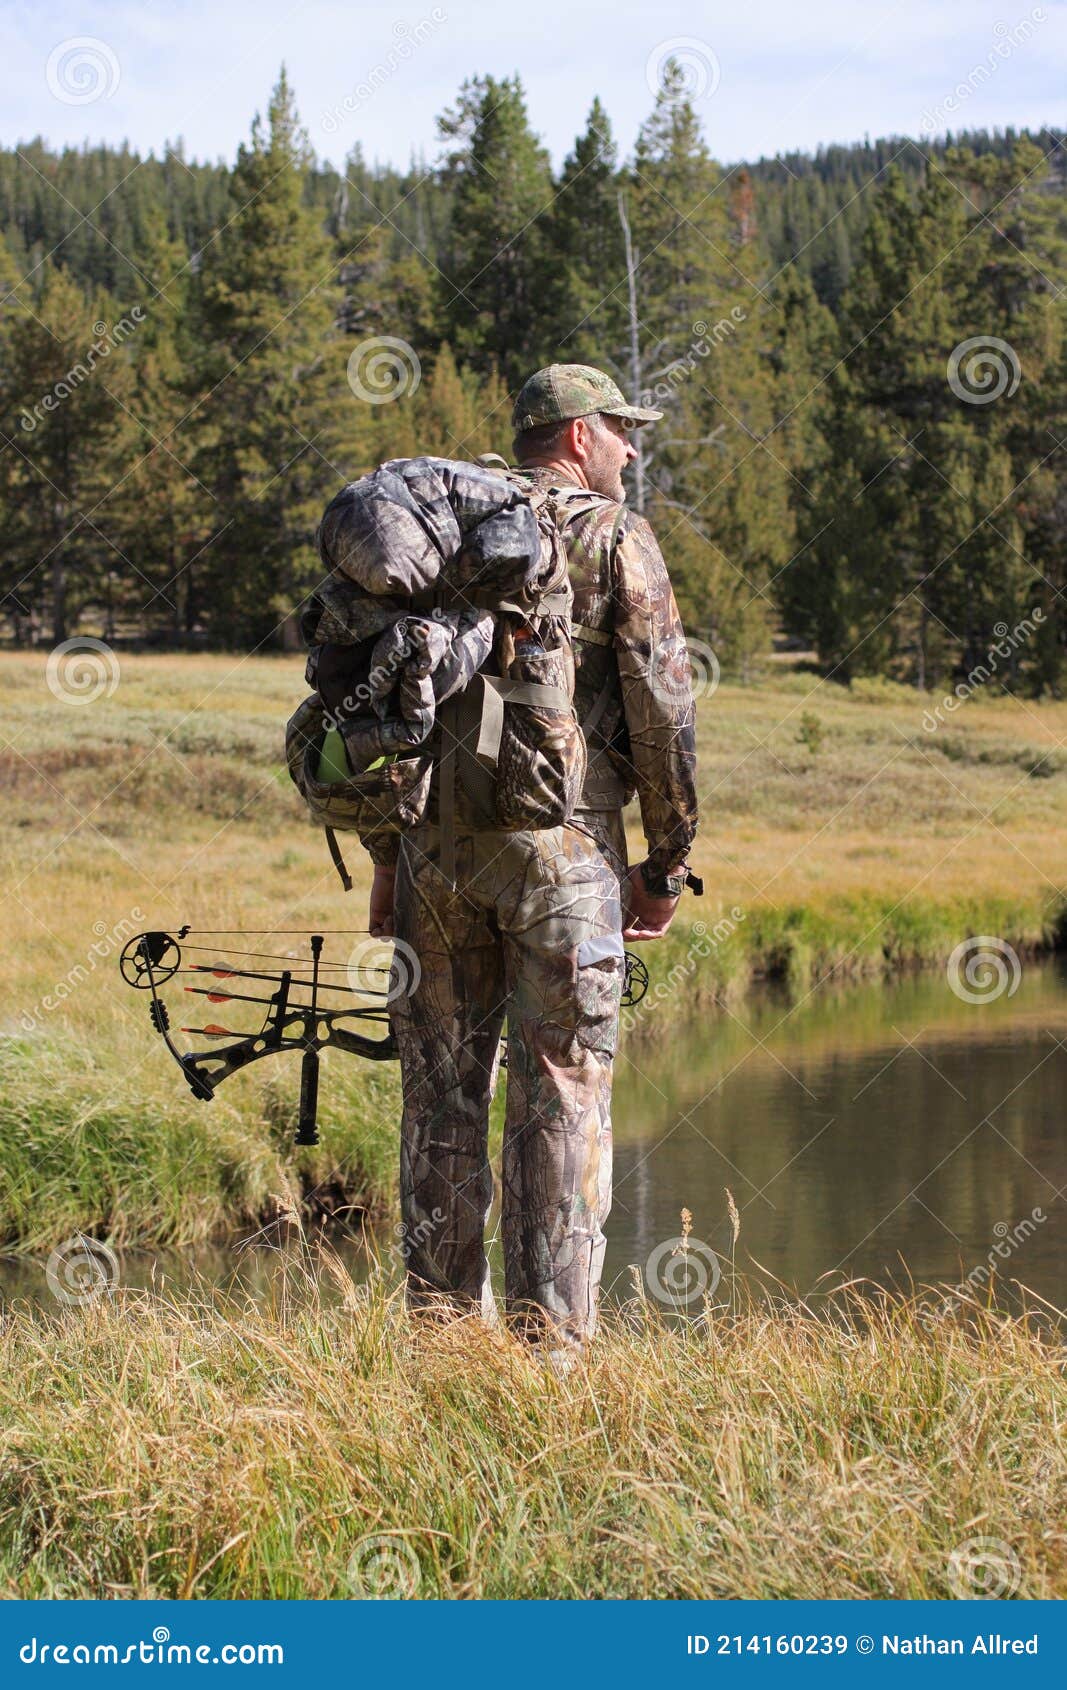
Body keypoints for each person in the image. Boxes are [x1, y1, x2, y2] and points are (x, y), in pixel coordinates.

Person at [368, 363, 699, 1365]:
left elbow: (404, 707)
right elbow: (661, 709)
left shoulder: (443, 536)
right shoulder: (611, 535)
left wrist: (390, 857)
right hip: (565, 863)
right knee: (559, 1091)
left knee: (438, 1095)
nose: (629, 450)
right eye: (617, 431)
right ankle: (548, 1365)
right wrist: (666, 862)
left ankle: (439, 1350)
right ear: (571, 434)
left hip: (435, 857)